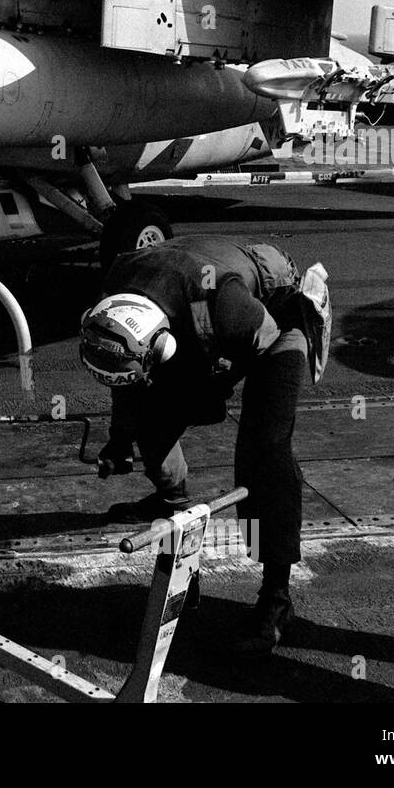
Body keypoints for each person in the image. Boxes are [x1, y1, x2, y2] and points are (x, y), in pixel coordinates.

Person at [79, 234, 330, 655]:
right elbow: (128, 381)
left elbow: (261, 348)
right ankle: (173, 502)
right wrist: (122, 437)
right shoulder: (115, 290)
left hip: (274, 324)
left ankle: (277, 597)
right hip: (193, 308)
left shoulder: (228, 312)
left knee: (264, 450)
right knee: (150, 415)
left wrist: (209, 391)